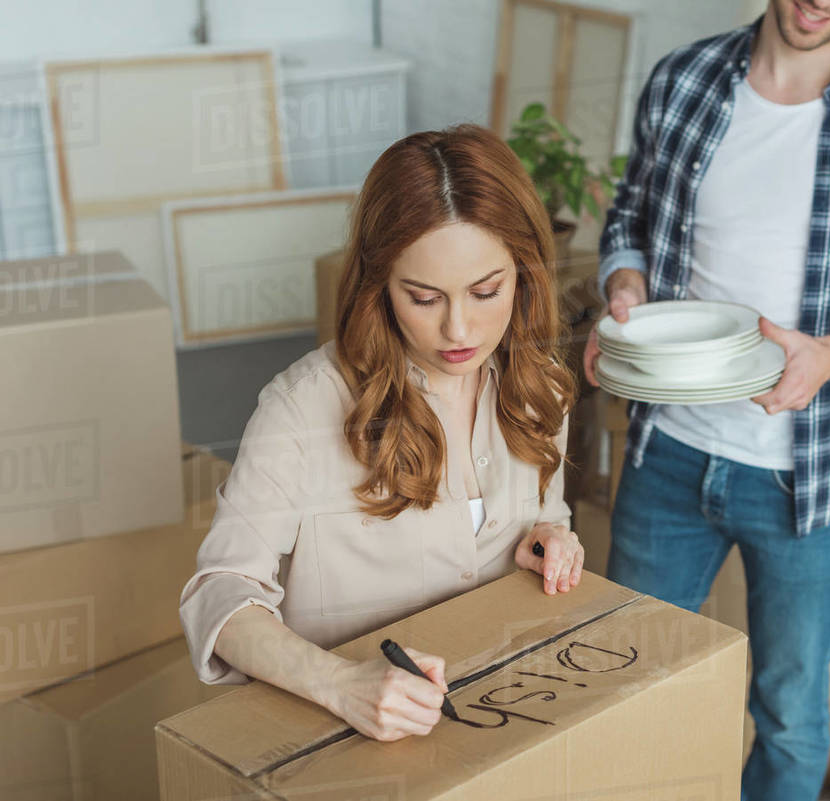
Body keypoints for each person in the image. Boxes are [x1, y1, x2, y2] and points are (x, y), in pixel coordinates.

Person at [585, 2, 830, 799]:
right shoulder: (682, 80)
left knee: (790, 710)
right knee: (624, 677)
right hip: (670, 451)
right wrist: (625, 281)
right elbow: (629, 210)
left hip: (814, 473)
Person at [180, 124, 584, 744]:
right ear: (379, 285)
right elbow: (220, 599)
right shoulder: (302, 407)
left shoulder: (541, 387)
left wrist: (551, 535)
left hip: (500, 718)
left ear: (523, 275)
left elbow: (547, 511)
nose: (458, 329)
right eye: (423, 297)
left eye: (485, 292)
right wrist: (340, 684)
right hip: (350, 743)